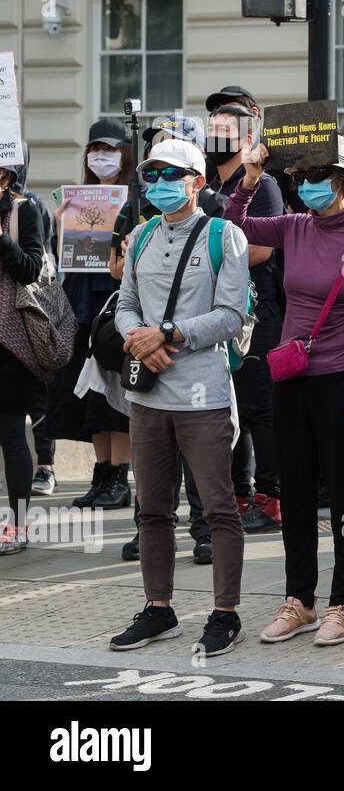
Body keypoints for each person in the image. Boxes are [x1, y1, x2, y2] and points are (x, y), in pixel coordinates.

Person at [226, 137, 344, 648]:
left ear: (342, 182)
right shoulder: (294, 228)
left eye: (319, 176)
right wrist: (251, 177)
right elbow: (235, 225)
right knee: (294, 493)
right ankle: (300, 600)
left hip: (341, 380)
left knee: (342, 495)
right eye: (301, 177)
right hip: (290, 378)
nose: (308, 185)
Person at [108, 138, 251, 655]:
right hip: (148, 396)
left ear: (198, 181)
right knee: (151, 510)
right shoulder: (142, 235)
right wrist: (138, 339)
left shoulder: (224, 235)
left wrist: (166, 332)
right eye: (154, 176)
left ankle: (225, 613)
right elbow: (123, 303)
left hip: (203, 393)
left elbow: (232, 315)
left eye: (173, 175)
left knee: (218, 509)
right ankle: (158, 608)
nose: (161, 185)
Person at [48, 118, 135, 510]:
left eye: (111, 150)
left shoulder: (136, 197)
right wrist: (60, 222)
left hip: (115, 303)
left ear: (126, 154)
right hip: (80, 302)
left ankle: (120, 476)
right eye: (96, 150)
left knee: (114, 392)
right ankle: (101, 474)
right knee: (86, 394)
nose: (102, 157)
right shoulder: (77, 198)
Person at [206, 104, 285, 533]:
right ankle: (238, 493)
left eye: (224, 129)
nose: (215, 135)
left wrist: (210, 262)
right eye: (211, 128)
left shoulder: (263, 184)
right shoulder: (205, 185)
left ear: (246, 136)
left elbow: (263, 247)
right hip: (218, 312)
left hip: (258, 311)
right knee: (227, 405)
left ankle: (271, 498)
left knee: (259, 408)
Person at [0, 164, 48, 555]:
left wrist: (1, 238)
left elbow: (32, 269)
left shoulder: (23, 210)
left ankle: (17, 524)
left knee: (12, 433)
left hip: (10, 344)